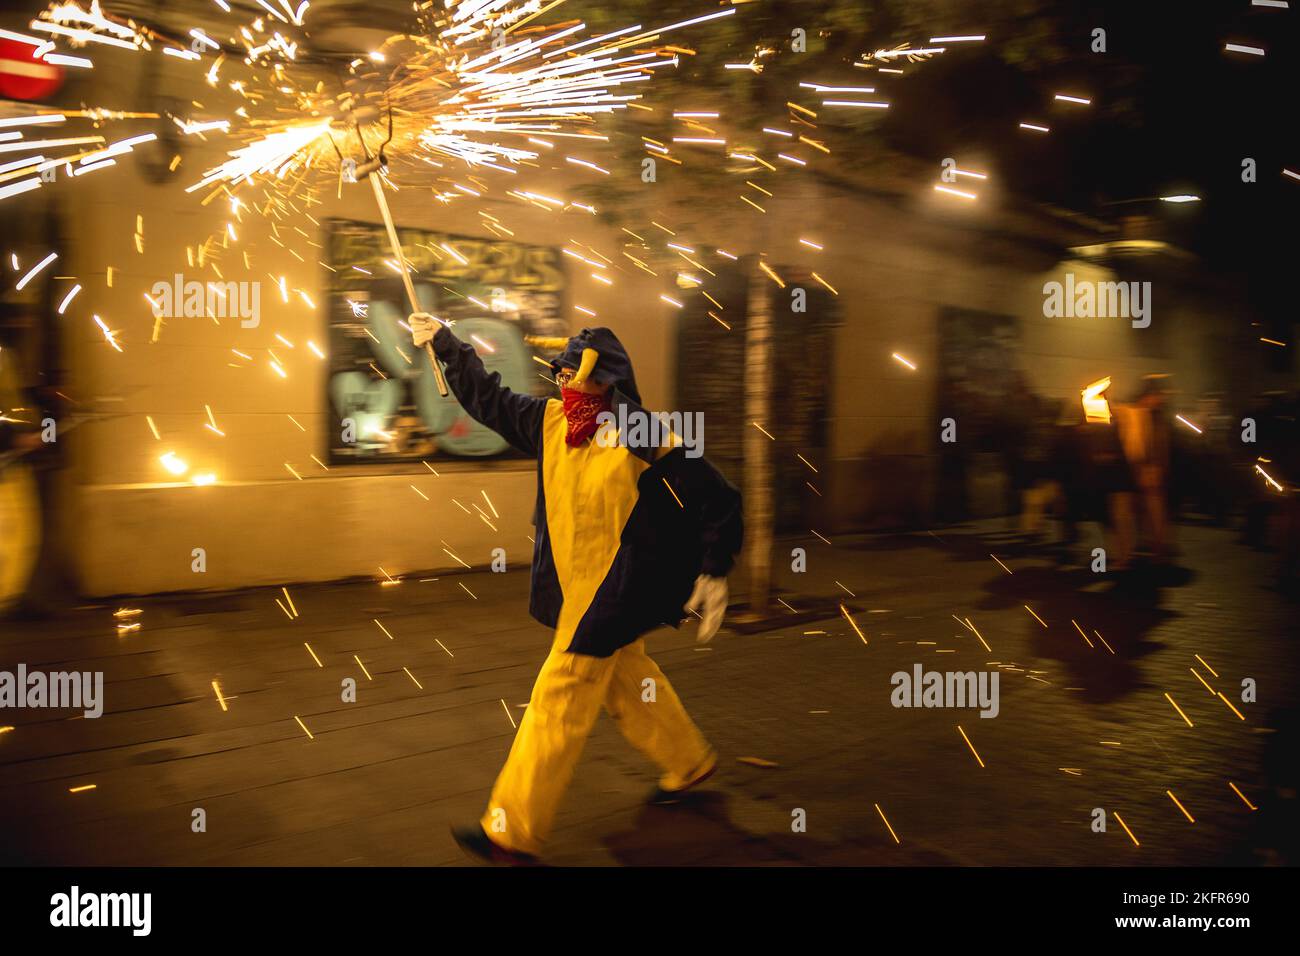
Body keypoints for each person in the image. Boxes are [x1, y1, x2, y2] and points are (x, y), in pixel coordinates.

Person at [409, 316, 743, 864]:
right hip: (573, 595)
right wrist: (447, 344)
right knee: (629, 682)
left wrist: (714, 567)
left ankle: (510, 832)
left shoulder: (643, 433)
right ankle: (690, 763)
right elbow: (488, 399)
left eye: (577, 375)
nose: (566, 384)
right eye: (561, 373)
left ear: (606, 380)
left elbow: (717, 498)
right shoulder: (549, 421)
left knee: (556, 704)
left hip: (615, 597)